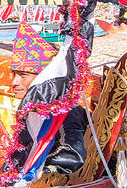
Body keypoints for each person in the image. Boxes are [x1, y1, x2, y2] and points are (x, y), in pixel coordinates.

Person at [6, 23, 88, 177]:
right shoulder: (31, 111)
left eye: (23, 76)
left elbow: (70, 157)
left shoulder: (67, 112)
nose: (14, 82)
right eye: (13, 75)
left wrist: (31, 174)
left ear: (44, 79)